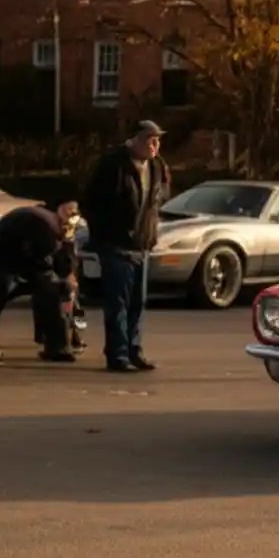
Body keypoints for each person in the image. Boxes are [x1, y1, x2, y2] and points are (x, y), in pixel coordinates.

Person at [82, 120, 170, 373]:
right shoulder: (112, 165)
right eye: (150, 140)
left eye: (158, 140)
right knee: (118, 303)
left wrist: (150, 231)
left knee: (138, 302)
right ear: (134, 141)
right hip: (116, 245)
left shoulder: (157, 166)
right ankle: (117, 354)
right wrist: (106, 235)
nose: (155, 146)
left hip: (142, 243)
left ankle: (134, 350)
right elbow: (90, 202)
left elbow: (159, 197)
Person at [0, 200, 82, 365]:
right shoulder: (43, 226)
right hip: (0, 265)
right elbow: (49, 263)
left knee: (50, 288)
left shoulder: (48, 224)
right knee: (1, 291)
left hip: (16, 264)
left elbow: (59, 266)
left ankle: (57, 344)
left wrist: (66, 249)